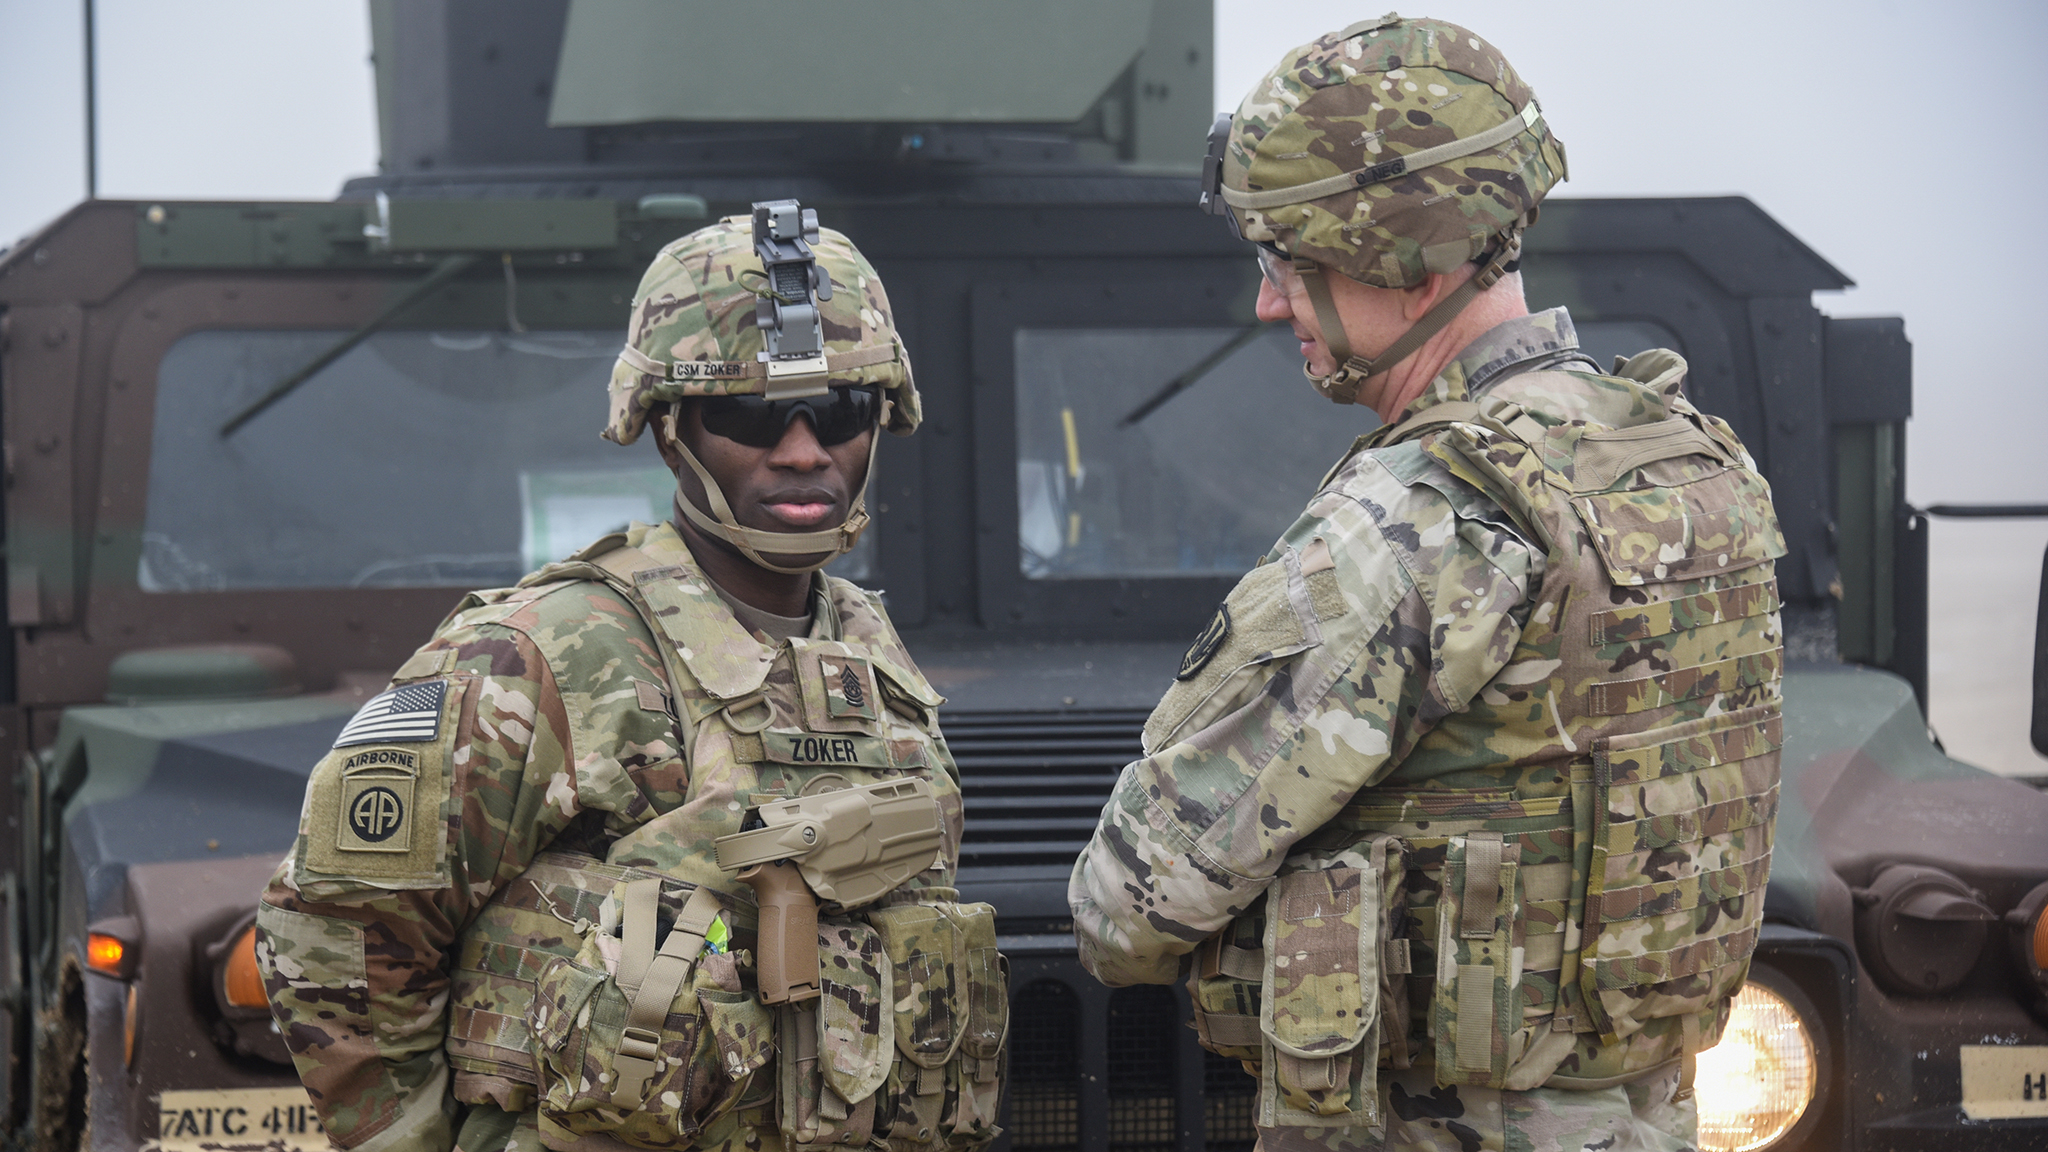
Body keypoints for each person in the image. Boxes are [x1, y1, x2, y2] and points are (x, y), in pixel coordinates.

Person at [1070, 15, 1784, 1152]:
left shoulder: (1425, 515)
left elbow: (1128, 902)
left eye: (1290, 265)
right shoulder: (1690, 465)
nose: (1268, 305)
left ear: (1413, 267)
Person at [257, 203, 1006, 1152]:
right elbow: (335, 936)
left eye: (844, 411)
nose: (806, 450)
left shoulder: (866, 648)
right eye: (752, 414)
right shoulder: (539, 653)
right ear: (667, 430)